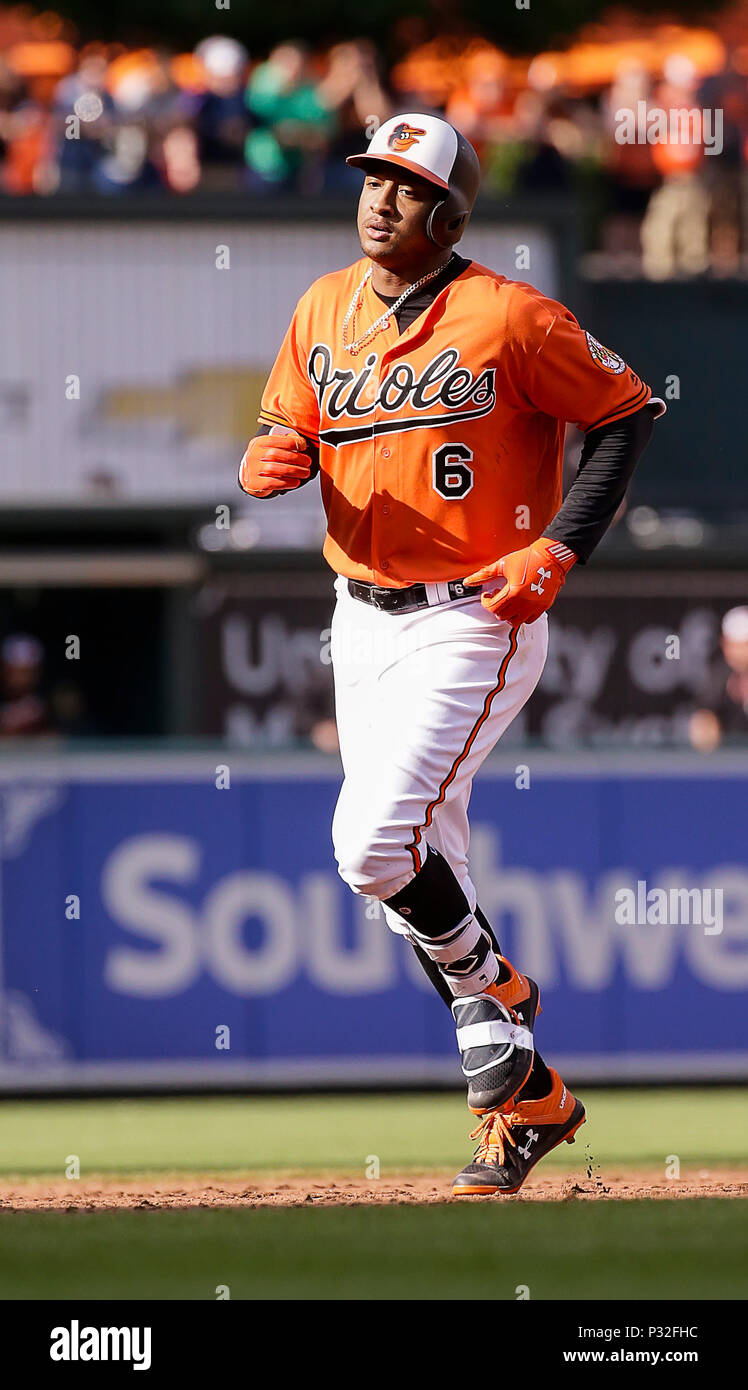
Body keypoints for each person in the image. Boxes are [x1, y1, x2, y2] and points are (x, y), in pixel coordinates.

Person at [239, 113, 664, 1196]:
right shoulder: (320, 308)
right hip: (359, 610)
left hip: (474, 611)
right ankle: (524, 1105)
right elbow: (283, 422)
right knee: (427, 872)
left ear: (450, 210)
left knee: (374, 846)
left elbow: (625, 410)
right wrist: (269, 450)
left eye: (404, 183)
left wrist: (560, 546)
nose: (380, 197)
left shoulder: (508, 315)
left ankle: (497, 988)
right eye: (372, 177)